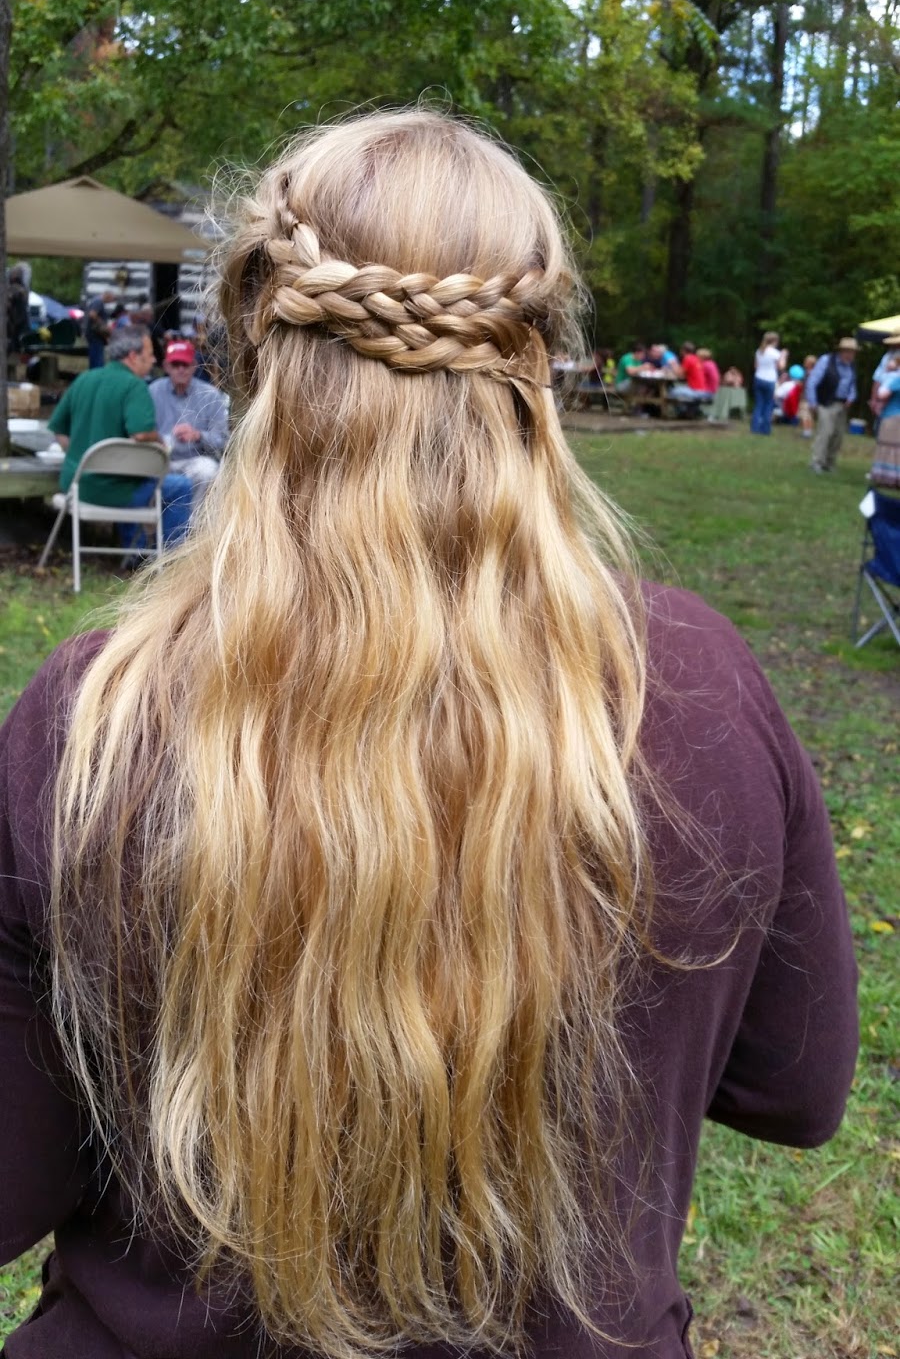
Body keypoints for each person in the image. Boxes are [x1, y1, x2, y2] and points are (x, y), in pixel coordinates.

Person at [0, 112, 857, 1359]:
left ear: (251, 347)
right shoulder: (696, 690)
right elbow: (799, 1086)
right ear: (541, 365)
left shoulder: (94, 721)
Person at [47, 325, 193, 548]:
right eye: (150, 354)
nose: (154, 360)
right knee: (180, 486)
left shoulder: (84, 379)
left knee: (136, 480)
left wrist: (80, 457)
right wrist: (161, 441)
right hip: (118, 492)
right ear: (133, 357)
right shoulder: (135, 386)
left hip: (76, 487)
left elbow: (59, 429)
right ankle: (167, 556)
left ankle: (137, 549)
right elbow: (141, 433)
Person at [149, 338, 229, 508]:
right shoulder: (153, 391)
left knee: (208, 470)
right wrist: (162, 441)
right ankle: (152, 523)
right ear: (166, 366)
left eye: (185, 365)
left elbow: (222, 441)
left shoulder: (210, 395)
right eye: (175, 364)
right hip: (161, 460)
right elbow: (143, 432)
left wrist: (198, 435)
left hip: (194, 460)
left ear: (194, 366)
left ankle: (192, 524)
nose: (180, 370)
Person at [806, 337, 859, 474]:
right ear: (841, 351)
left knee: (838, 435)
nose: (850, 355)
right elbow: (812, 381)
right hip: (826, 402)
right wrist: (812, 402)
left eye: (852, 352)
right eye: (847, 351)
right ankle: (817, 461)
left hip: (842, 405)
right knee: (825, 432)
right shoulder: (826, 361)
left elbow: (852, 384)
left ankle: (829, 462)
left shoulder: (851, 366)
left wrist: (852, 397)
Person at [870, 352, 900, 488]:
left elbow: (882, 394)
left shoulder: (896, 380)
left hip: (892, 416)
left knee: (888, 447)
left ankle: (887, 478)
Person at [750, 330, 784, 435]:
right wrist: (784, 356)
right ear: (775, 341)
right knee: (768, 404)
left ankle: (755, 428)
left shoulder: (759, 351)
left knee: (759, 404)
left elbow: (756, 366)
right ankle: (765, 429)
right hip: (769, 379)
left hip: (758, 377)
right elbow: (781, 366)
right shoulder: (775, 353)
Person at [797, 354, 818, 438]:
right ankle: (808, 431)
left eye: (806, 361)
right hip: (813, 399)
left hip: (805, 398)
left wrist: (799, 384)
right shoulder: (816, 374)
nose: (804, 363)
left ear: (809, 363)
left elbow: (804, 385)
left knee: (805, 415)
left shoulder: (807, 374)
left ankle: (806, 432)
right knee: (810, 416)